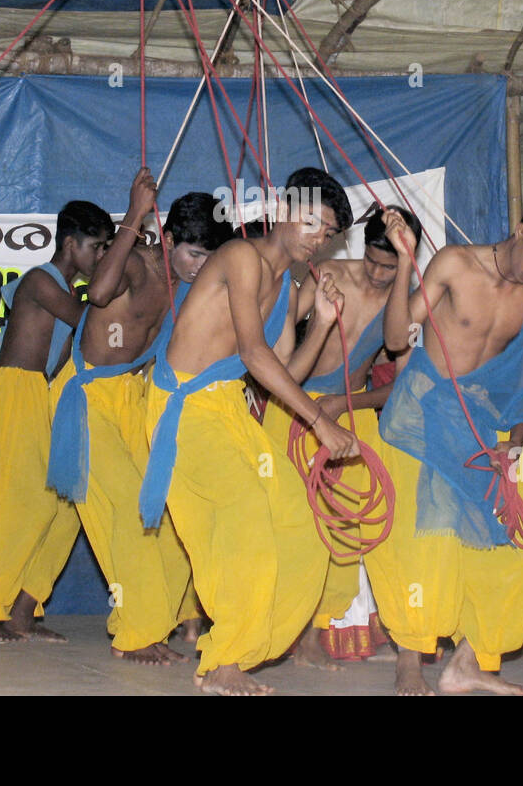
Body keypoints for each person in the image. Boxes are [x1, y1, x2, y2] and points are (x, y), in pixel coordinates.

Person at [139, 166, 359, 695]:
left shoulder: (286, 285)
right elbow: (255, 354)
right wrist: (320, 421)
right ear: (283, 209)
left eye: (328, 234)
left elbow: (284, 369)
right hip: (184, 409)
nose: (318, 239)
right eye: (313, 222)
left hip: (230, 412)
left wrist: (324, 321)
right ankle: (224, 661)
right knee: (245, 523)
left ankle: (246, 647)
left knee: (299, 528)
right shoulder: (240, 257)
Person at [369, 194, 523, 696]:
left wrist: (514, 446)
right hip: (422, 413)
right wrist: (406, 261)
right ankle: (410, 660)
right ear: (518, 229)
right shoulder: (454, 263)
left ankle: (468, 661)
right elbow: (397, 339)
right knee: (427, 541)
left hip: (485, 423)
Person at [47, 170, 231, 664]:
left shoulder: (190, 284)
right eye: (194, 254)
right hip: (85, 398)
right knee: (128, 517)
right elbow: (99, 293)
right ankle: (136, 635)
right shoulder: (133, 264)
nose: (202, 267)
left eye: (212, 257)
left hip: (135, 398)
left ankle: (149, 619)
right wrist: (133, 214)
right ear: (168, 239)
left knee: (167, 518)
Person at [264, 205, 422, 669]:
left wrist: (348, 404)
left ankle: (314, 632)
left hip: (351, 415)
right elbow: (281, 350)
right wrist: (313, 406)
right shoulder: (328, 272)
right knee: (286, 522)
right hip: (293, 408)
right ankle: (267, 623)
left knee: (343, 532)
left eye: (390, 266)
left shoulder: (409, 300)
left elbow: (404, 381)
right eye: (373, 260)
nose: (377, 273)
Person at [0, 199, 113, 642]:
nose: (101, 256)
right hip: (12, 392)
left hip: (37, 397)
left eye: (107, 248)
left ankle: (23, 608)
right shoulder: (41, 281)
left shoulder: (67, 291)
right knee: (11, 501)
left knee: (60, 504)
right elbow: (88, 322)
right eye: (98, 247)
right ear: (70, 243)